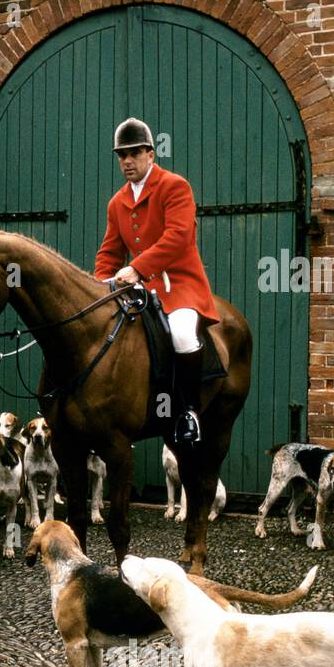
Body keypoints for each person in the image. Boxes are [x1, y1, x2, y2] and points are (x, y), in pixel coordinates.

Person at [94, 118, 220, 445]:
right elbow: (109, 252)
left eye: (134, 153)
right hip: (141, 289)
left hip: (180, 284)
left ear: (151, 154)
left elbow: (177, 237)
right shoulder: (116, 202)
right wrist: (100, 288)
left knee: (180, 332)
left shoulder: (174, 186)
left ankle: (189, 411)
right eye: (121, 155)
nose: (127, 161)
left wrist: (136, 268)